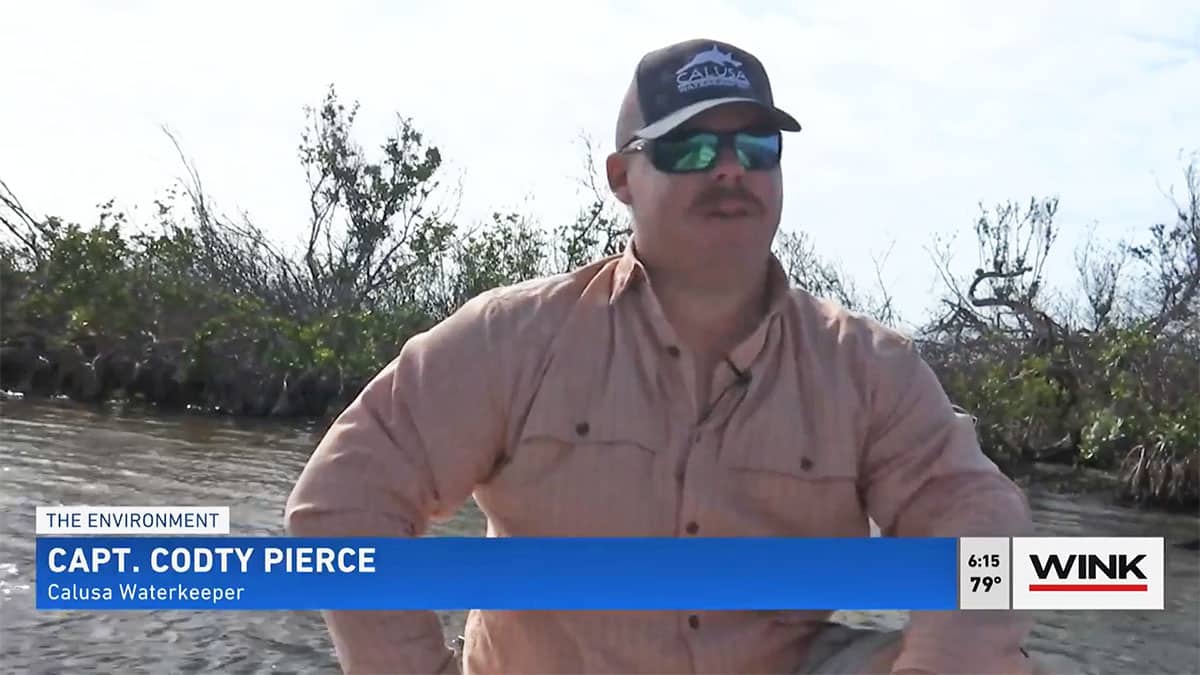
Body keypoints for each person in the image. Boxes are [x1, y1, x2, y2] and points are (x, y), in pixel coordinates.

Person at [285, 37, 1042, 674]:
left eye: (755, 145)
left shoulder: (869, 369)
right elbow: (346, 497)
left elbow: (980, 531)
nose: (728, 168)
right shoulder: (516, 339)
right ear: (622, 177)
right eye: (690, 147)